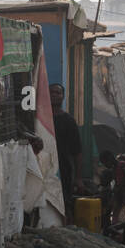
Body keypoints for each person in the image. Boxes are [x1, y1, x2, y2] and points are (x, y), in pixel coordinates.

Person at [49, 83, 82, 212]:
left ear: (63, 97)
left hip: (63, 170)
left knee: (64, 203)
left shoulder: (69, 121)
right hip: (44, 168)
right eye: (51, 92)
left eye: (58, 93)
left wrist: (78, 178)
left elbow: (77, 151)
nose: (54, 95)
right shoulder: (40, 119)